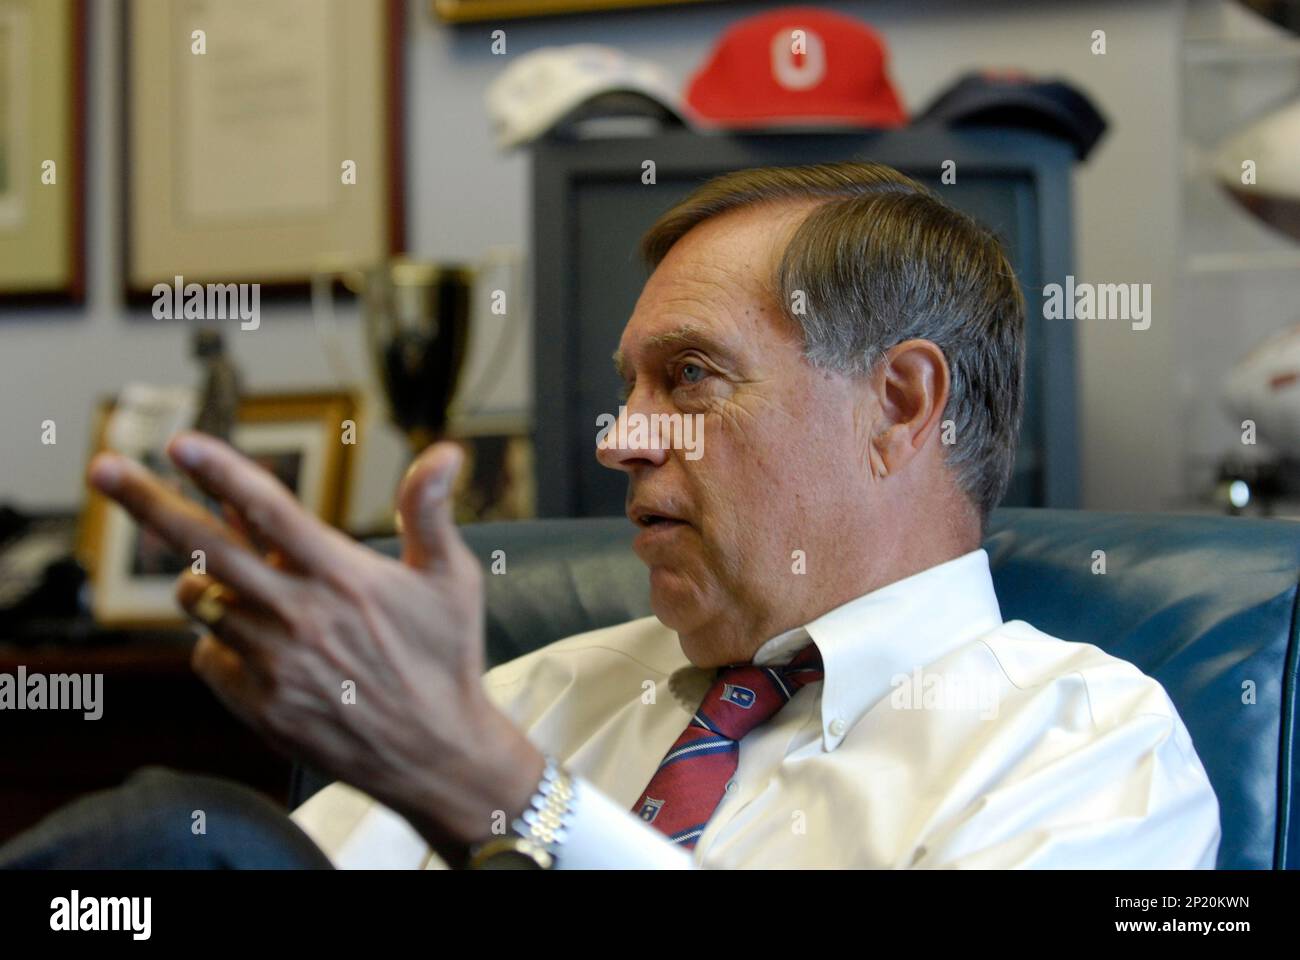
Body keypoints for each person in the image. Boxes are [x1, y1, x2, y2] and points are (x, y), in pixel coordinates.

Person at [59, 162, 1219, 869]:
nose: (619, 440)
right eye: (626, 389)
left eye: (690, 379)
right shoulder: (526, 696)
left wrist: (507, 800)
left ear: (900, 403)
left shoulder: (1084, 748)